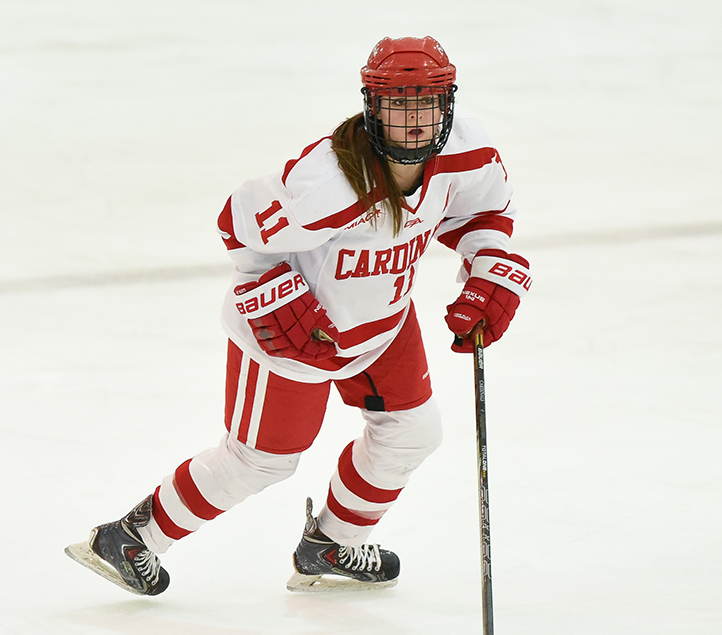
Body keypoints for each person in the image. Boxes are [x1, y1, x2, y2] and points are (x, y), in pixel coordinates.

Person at [65, 35, 531, 595]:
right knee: (258, 463)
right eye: (397, 104)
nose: (413, 121)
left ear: (448, 105)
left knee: (411, 433)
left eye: (426, 104)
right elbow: (237, 223)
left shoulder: (467, 150)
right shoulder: (328, 184)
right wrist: (274, 291)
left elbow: (484, 212)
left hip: (383, 327)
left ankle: (332, 543)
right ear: (371, 107)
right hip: (298, 340)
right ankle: (130, 538)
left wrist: (490, 269)